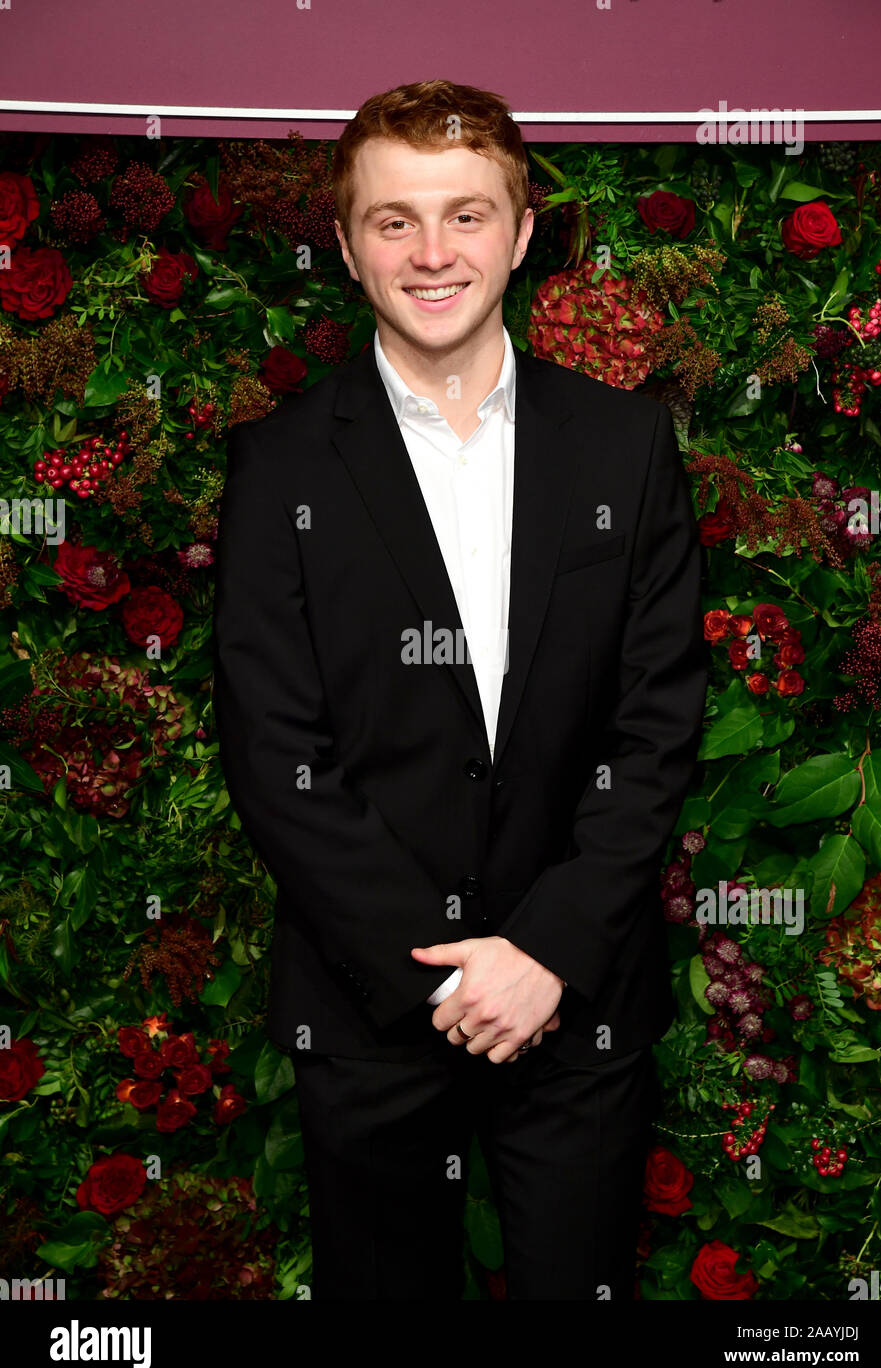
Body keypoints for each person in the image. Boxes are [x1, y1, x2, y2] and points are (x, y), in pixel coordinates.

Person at [212, 77, 708, 1300]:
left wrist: (544, 949)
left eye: (467, 215)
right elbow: (276, 751)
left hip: (577, 998)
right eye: (395, 221)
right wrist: (444, 971)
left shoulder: (624, 446)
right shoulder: (278, 465)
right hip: (372, 1006)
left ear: (523, 232)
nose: (434, 253)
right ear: (345, 243)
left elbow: (658, 721)